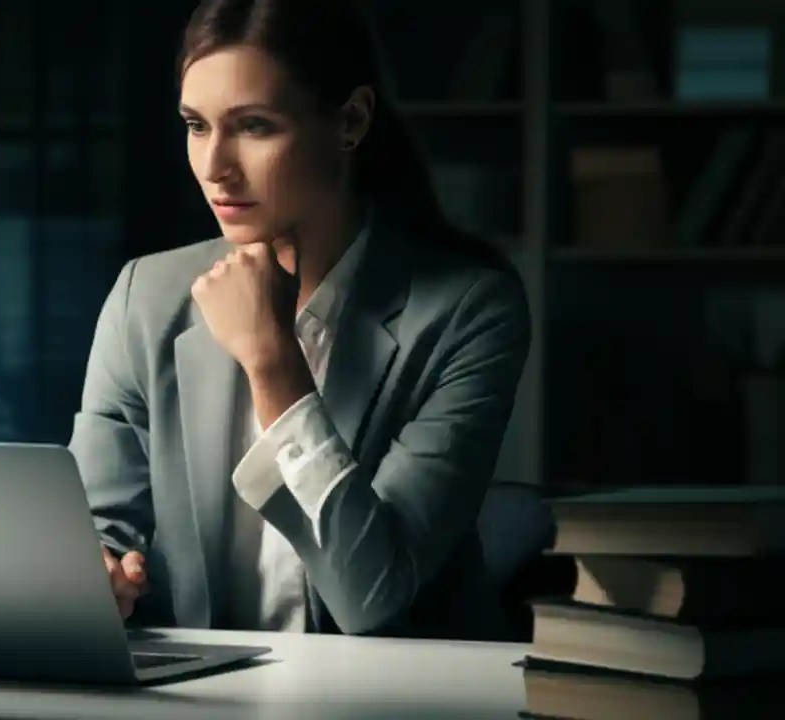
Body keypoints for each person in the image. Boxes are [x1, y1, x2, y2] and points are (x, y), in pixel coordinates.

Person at [68, 0, 531, 639]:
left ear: (351, 120)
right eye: (196, 125)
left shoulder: (468, 311)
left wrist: (272, 359)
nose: (214, 165)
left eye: (254, 126)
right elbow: (96, 530)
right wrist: (98, 573)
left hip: (397, 686)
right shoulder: (144, 299)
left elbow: (373, 596)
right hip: (199, 685)